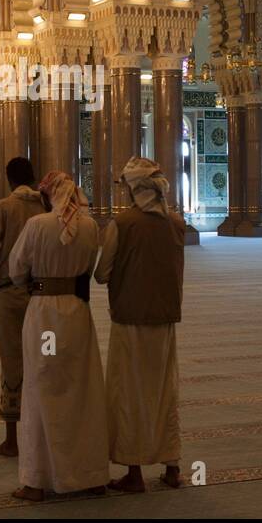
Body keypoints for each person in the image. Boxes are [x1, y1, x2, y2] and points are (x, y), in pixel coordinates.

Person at [7, 170, 107, 501]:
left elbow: (16, 268)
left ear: (49, 195)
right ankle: (90, 476)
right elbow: (91, 269)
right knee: (82, 389)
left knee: (42, 388)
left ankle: (37, 481)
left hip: (44, 314)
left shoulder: (37, 226)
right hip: (76, 313)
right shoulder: (90, 226)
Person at [96, 157, 186, 493]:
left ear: (134, 190)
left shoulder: (123, 223)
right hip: (164, 319)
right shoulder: (176, 223)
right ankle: (172, 466)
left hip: (130, 319)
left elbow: (102, 273)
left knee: (128, 394)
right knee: (164, 390)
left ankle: (134, 474)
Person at [0, 156, 42, 457]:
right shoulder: (45, 207)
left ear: (9, 179)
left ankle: (13, 440)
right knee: (39, 362)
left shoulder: (5, 207)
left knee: (12, 362)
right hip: (40, 295)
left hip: (9, 293)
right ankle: (39, 435)